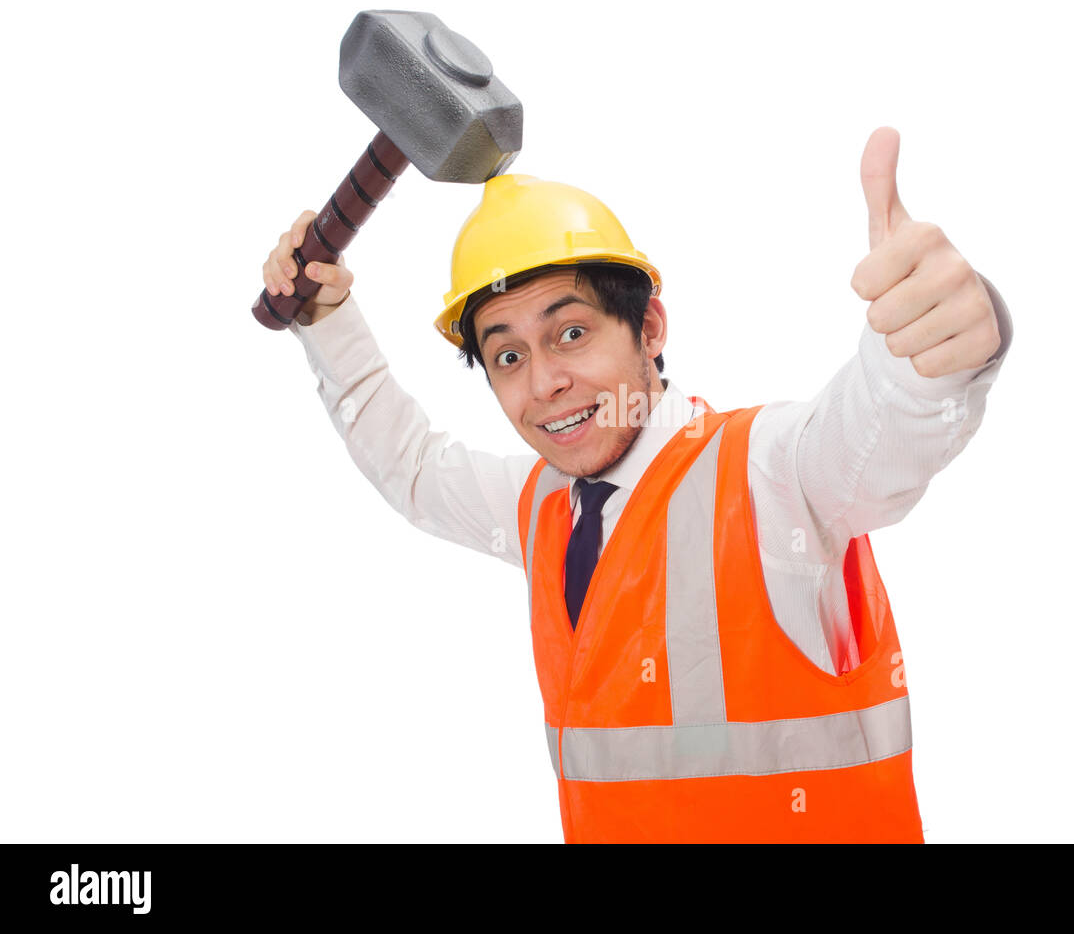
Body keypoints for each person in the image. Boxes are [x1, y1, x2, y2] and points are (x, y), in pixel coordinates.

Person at [260, 127, 1012, 842]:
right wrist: (327, 321)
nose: (547, 382)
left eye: (572, 332)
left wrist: (930, 357)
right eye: (509, 357)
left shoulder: (768, 471)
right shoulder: (540, 505)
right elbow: (414, 469)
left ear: (650, 328)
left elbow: (870, 440)